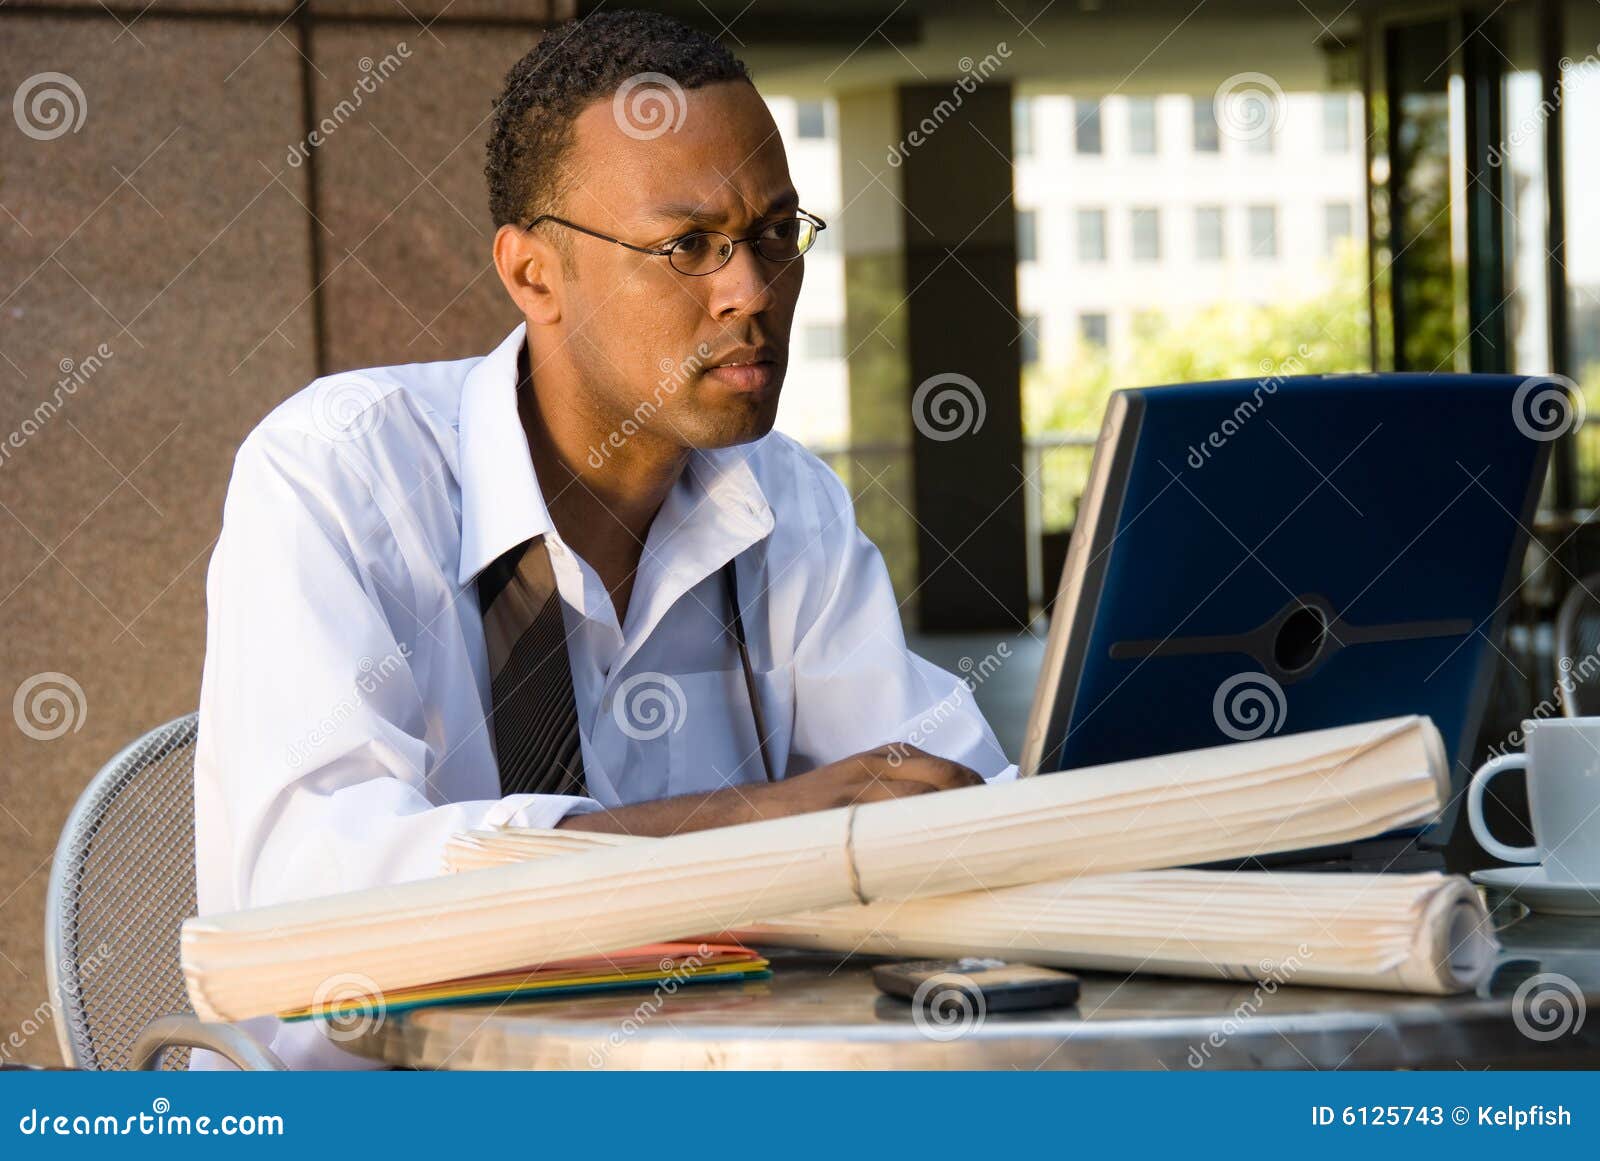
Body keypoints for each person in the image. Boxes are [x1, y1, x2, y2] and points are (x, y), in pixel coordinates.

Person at [191, 9, 1014, 1070]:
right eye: (688, 247)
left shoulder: (786, 500)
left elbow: (948, 804)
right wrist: (763, 826)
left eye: (774, 233)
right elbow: (312, 892)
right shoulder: (342, 472)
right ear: (534, 277)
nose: (752, 293)